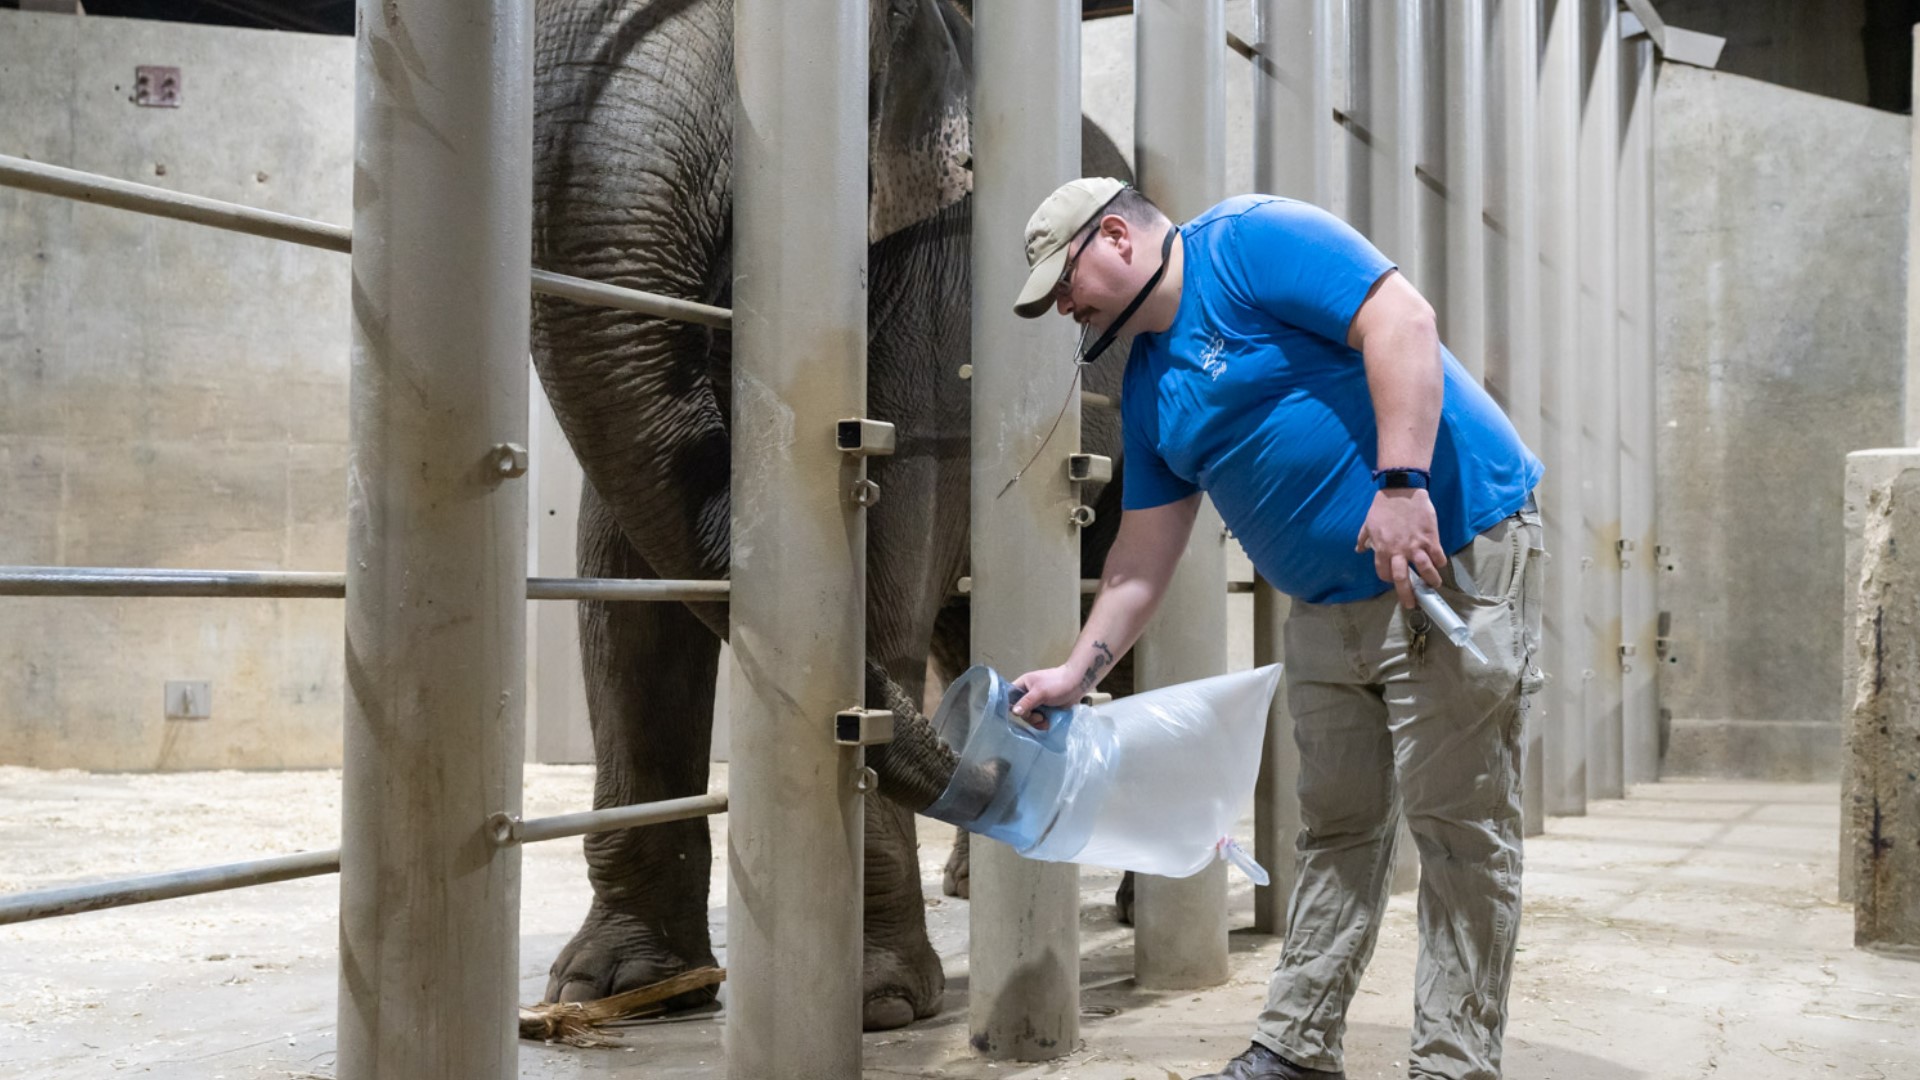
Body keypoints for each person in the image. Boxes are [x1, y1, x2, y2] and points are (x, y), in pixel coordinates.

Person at [1006, 177, 1545, 1080]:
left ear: (1116, 236)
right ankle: (1297, 1049)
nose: (1066, 307)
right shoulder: (1147, 383)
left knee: (1459, 826)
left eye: (1066, 283)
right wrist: (1077, 671)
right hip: (1329, 606)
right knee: (1335, 827)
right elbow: (1141, 560)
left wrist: (1403, 486)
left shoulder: (1252, 242)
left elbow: (1403, 321)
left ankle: (1453, 1063)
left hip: (1447, 552)